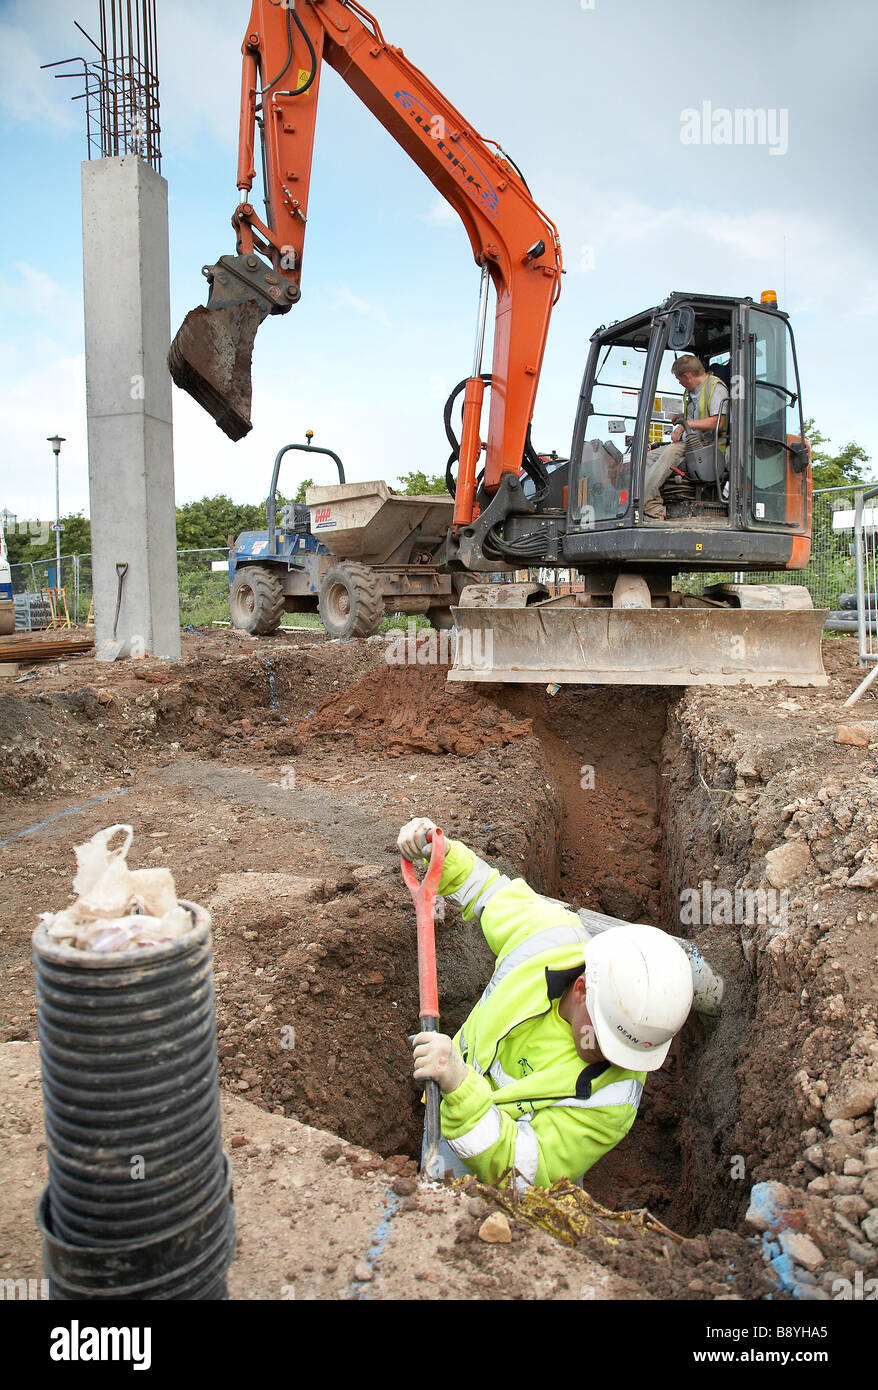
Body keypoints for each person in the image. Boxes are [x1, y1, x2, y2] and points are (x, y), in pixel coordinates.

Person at [399, 817, 694, 1190]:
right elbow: (487, 890)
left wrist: (460, 1086)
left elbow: (525, 1174)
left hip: (505, 1187)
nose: (618, 1061)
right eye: (605, 1038)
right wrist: (437, 848)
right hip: (447, 1106)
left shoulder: (613, 1100)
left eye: (630, 1053)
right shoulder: (547, 936)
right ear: (583, 988)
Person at [643, 354, 729, 520]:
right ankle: (648, 501)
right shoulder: (692, 392)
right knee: (648, 456)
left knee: (670, 452)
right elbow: (699, 415)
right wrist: (682, 416)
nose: (679, 383)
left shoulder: (716, 388)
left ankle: (650, 505)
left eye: (678, 379)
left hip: (708, 445)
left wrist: (685, 425)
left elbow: (717, 422)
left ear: (687, 376)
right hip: (690, 442)